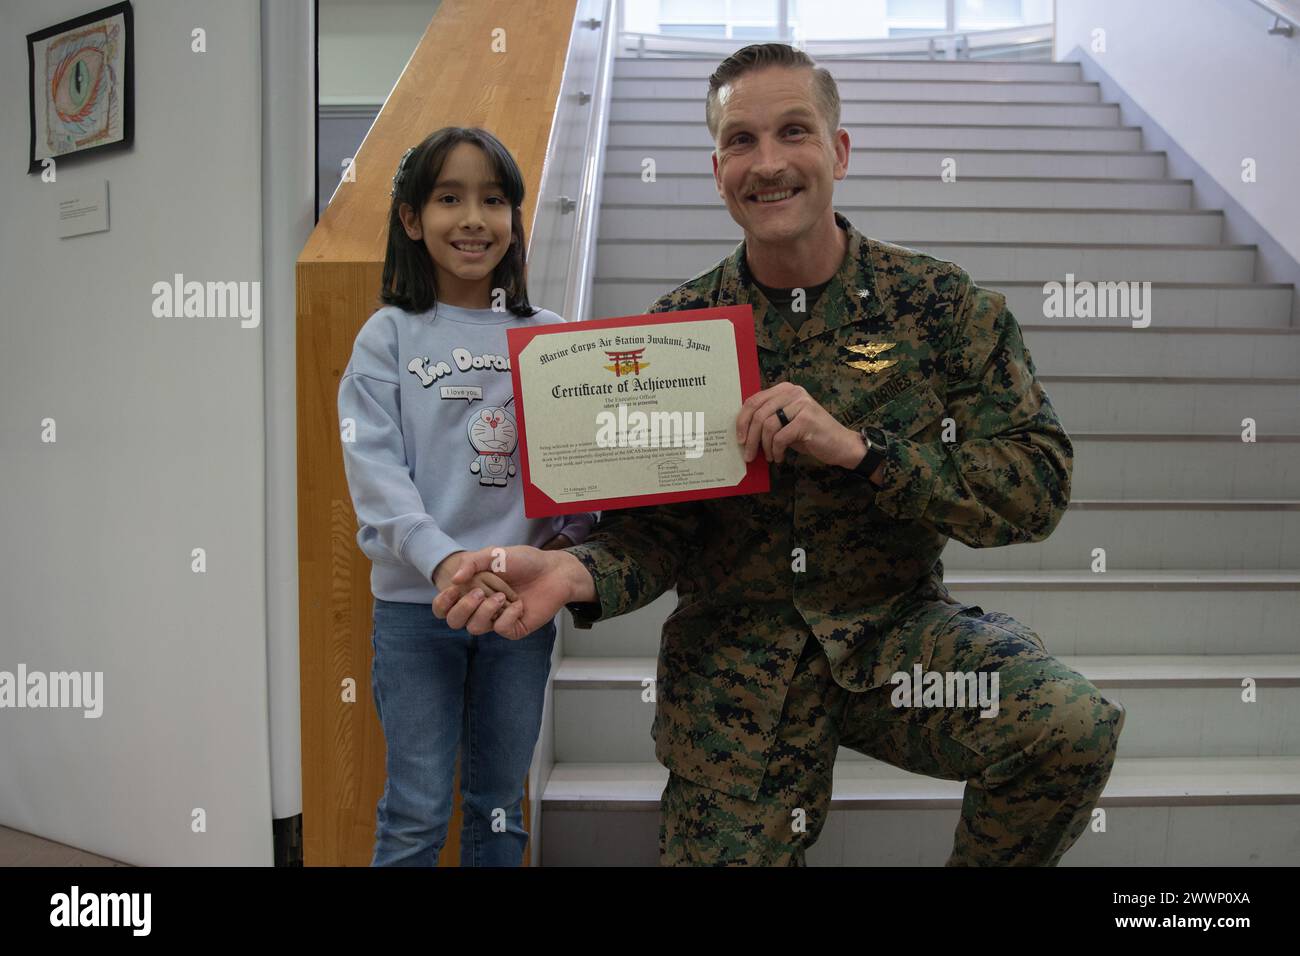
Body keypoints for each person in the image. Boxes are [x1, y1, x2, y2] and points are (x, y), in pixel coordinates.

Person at [434, 44, 1126, 866]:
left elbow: (1036, 488)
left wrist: (865, 453)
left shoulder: (942, 309)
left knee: (1067, 726)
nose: (767, 164)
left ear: (837, 149)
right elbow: (656, 535)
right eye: (740, 141)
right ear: (716, 167)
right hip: (737, 672)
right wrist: (573, 573)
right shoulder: (671, 338)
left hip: (894, 642)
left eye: (793, 132)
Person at [338, 126, 595, 866]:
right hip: (417, 613)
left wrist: (567, 548)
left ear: (516, 219)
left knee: (496, 807)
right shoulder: (386, 336)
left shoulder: (550, 338)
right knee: (415, 811)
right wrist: (447, 562)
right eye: (449, 198)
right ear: (413, 219)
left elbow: (579, 480)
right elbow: (377, 478)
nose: (474, 218)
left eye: (493, 199)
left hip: (520, 613)